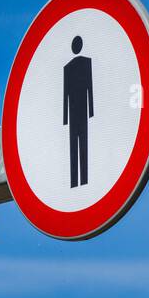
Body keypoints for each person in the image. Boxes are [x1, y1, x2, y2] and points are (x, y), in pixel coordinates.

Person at [63, 36, 94, 187]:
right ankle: (79, 181)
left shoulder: (68, 68)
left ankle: (78, 181)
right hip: (81, 110)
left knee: (76, 145)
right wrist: (91, 111)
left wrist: (65, 118)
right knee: (82, 144)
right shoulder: (84, 63)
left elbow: (65, 95)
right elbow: (90, 89)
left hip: (74, 111)